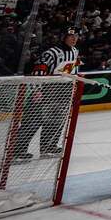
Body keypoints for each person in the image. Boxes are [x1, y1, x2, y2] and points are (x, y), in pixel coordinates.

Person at [12, 24, 81, 163]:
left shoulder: (75, 51)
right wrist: (37, 90)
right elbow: (39, 70)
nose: (74, 39)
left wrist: (73, 87)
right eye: (71, 36)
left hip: (63, 93)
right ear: (64, 37)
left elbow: (73, 70)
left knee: (56, 121)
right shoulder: (51, 53)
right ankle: (17, 151)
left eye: (76, 36)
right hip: (46, 92)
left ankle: (48, 147)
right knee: (32, 122)